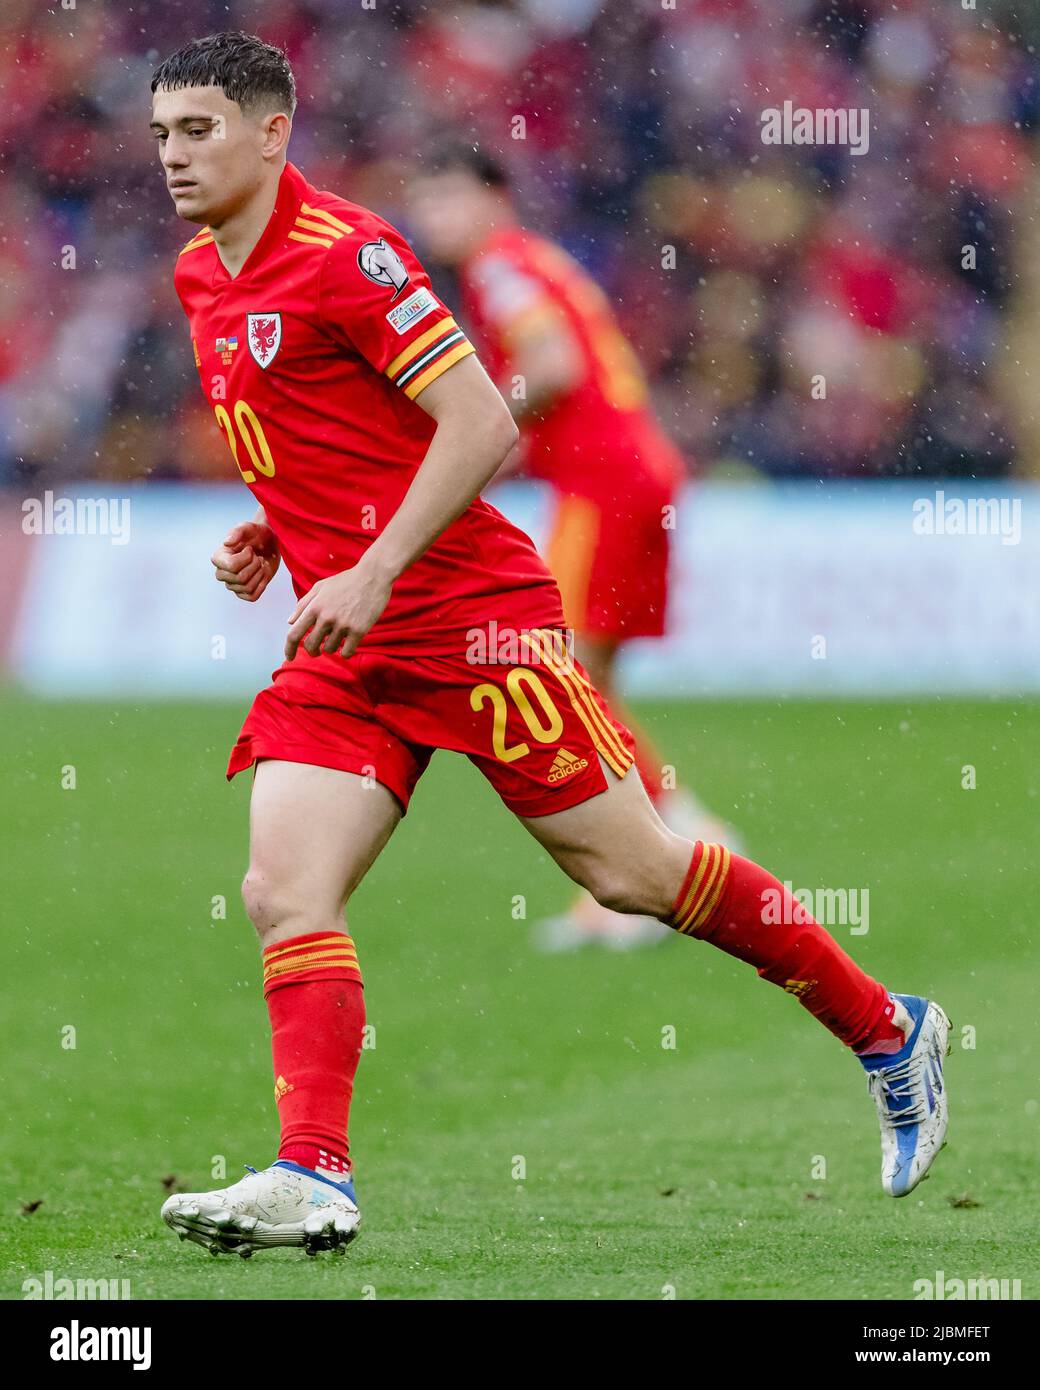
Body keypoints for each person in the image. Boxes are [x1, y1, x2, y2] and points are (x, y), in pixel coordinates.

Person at [151, 32, 949, 1257]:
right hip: (348, 637)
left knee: (632, 872)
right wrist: (281, 522)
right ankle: (315, 1175)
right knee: (283, 888)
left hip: (468, 619)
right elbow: (337, 421)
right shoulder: (202, 275)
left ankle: (887, 1029)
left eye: (198, 129)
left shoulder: (351, 256)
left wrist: (367, 562)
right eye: (160, 133)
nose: (172, 155)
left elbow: (479, 422)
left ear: (272, 134)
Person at [409, 147, 740, 951]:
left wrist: (481, 420)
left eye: (450, 198)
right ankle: (673, 849)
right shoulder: (538, 258)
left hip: (604, 486)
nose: (435, 219)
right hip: (638, 473)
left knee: (560, 673)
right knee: (589, 680)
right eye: (427, 203)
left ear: (493, 200)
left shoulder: (497, 266)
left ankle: (665, 855)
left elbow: (550, 364)